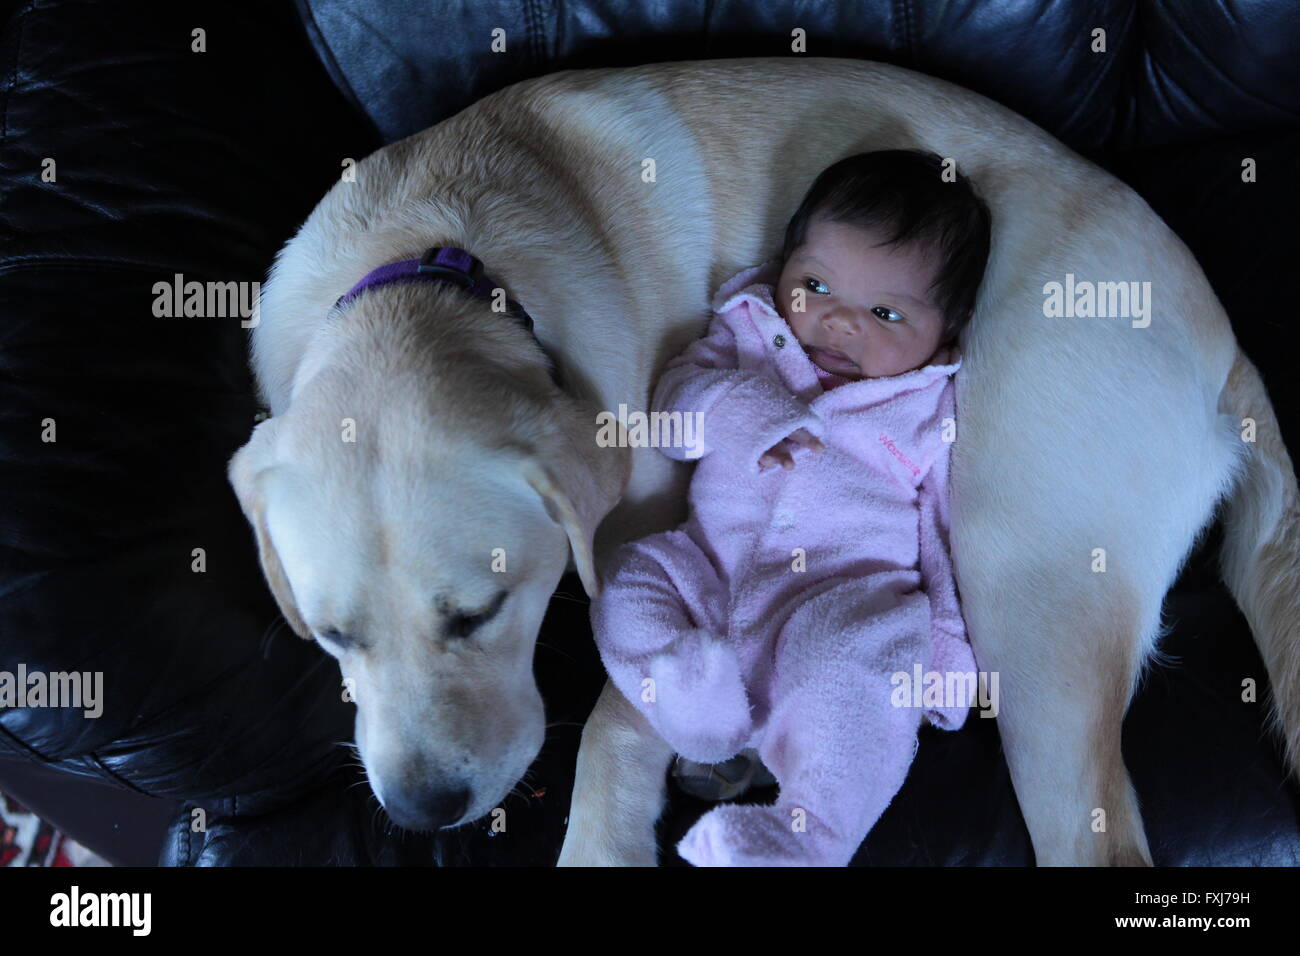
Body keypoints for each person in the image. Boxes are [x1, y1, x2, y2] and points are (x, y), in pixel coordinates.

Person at [590, 149, 992, 865]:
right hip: (709, 571)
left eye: (885, 312)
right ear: (783, 268)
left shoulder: (924, 406)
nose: (837, 322)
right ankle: (690, 706)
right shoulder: (748, 337)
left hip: (846, 597)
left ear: (945, 336)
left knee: (863, 675)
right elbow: (672, 412)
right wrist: (738, 406)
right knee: (625, 577)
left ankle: (807, 839)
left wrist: (944, 637)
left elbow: (937, 527)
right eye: (815, 285)